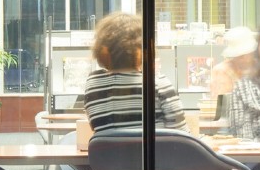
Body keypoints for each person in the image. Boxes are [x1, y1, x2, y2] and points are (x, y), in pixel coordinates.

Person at [73, 11, 182, 147]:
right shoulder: (157, 83)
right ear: (142, 49)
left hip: (109, 166)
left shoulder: (93, 84)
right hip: (155, 165)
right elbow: (181, 136)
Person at [203, 27, 258, 110]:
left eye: (248, 53)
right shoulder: (222, 71)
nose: (245, 58)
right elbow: (221, 106)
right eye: (240, 56)